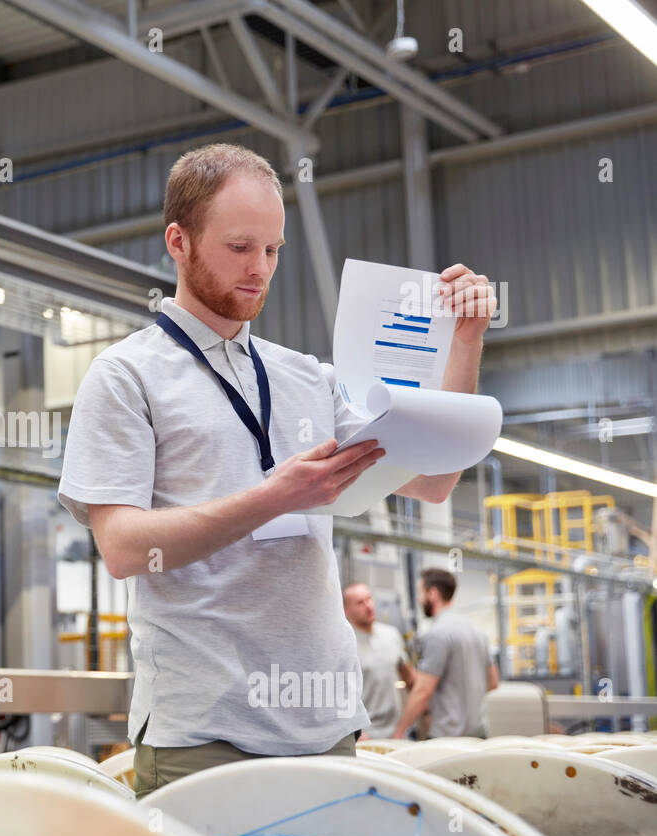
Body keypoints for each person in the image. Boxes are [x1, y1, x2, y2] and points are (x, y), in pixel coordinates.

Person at [56, 143, 497, 796]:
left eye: (272, 249)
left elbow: (433, 480)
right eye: (239, 247)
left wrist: (465, 342)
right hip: (205, 734)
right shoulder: (126, 376)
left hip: (328, 726)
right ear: (178, 242)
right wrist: (272, 498)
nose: (259, 268)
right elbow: (122, 548)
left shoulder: (308, 377)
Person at [392, 568, 499, 739]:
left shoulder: (437, 634)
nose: (419, 600)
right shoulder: (477, 631)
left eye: (421, 593)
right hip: (479, 735)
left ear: (433, 594)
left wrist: (398, 732)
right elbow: (493, 682)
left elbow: (423, 691)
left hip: (447, 738)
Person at [342, 583, 415, 739]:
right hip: (365, 735)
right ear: (346, 610)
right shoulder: (344, 644)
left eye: (369, 599)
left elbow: (410, 678)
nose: (368, 606)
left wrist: (410, 721)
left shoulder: (392, 634)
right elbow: (338, 694)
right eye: (360, 603)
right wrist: (355, 732)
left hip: (397, 733)